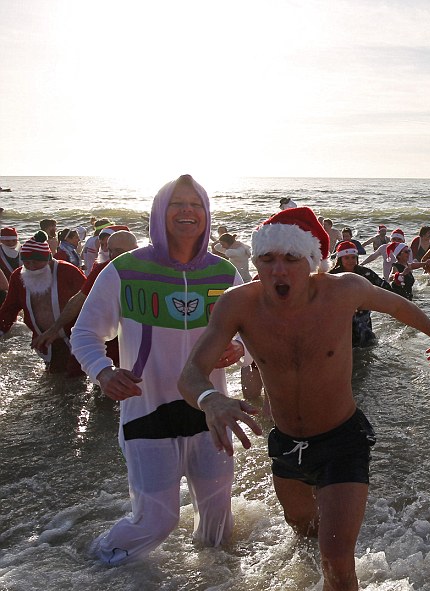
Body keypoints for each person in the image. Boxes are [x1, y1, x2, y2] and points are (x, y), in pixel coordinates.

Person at [177, 206, 430, 591]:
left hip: (342, 439)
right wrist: (210, 400)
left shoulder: (343, 290)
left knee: (337, 561)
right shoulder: (239, 304)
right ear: (256, 263)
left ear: (311, 262)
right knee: (303, 533)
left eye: (291, 259)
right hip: (286, 444)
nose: (278, 270)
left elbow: (394, 306)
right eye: (268, 259)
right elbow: (191, 373)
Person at [70, 175, 246, 565]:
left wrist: (237, 347)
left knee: (218, 526)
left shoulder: (224, 275)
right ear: (158, 213)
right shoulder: (125, 269)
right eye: (177, 203)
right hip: (147, 413)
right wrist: (102, 371)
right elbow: (84, 333)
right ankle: (95, 564)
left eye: (196, 204)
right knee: (157, 521)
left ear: (207, 214)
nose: (188, 211)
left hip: (207, 413)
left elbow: (251, 331)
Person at [34, 230, 139, 365]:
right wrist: (55, 328)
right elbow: (78, 299)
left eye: (118, 251)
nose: (113, 256)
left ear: (136, 249)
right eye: (110, 251)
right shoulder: (104, 269)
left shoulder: (150, 270)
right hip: (111, 333)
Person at [0, 231, 87, 375]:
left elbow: (89, 301)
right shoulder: (18, 276)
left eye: (36, 262)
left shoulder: (68, 271)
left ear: (49, 259)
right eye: (27, 262)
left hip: (73, 338)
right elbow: (10, 309)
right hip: (43, 342)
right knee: (53, 377)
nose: (32, 266)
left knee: (74, 380)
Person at [329, 240, 393, 347]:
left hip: (363, 320)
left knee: (368, 349)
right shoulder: (332, 275)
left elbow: (385, 288)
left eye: (353, 257)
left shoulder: (365, 273)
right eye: (347, 258)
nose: (351, 261)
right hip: (341, 320)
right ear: (340, 259)